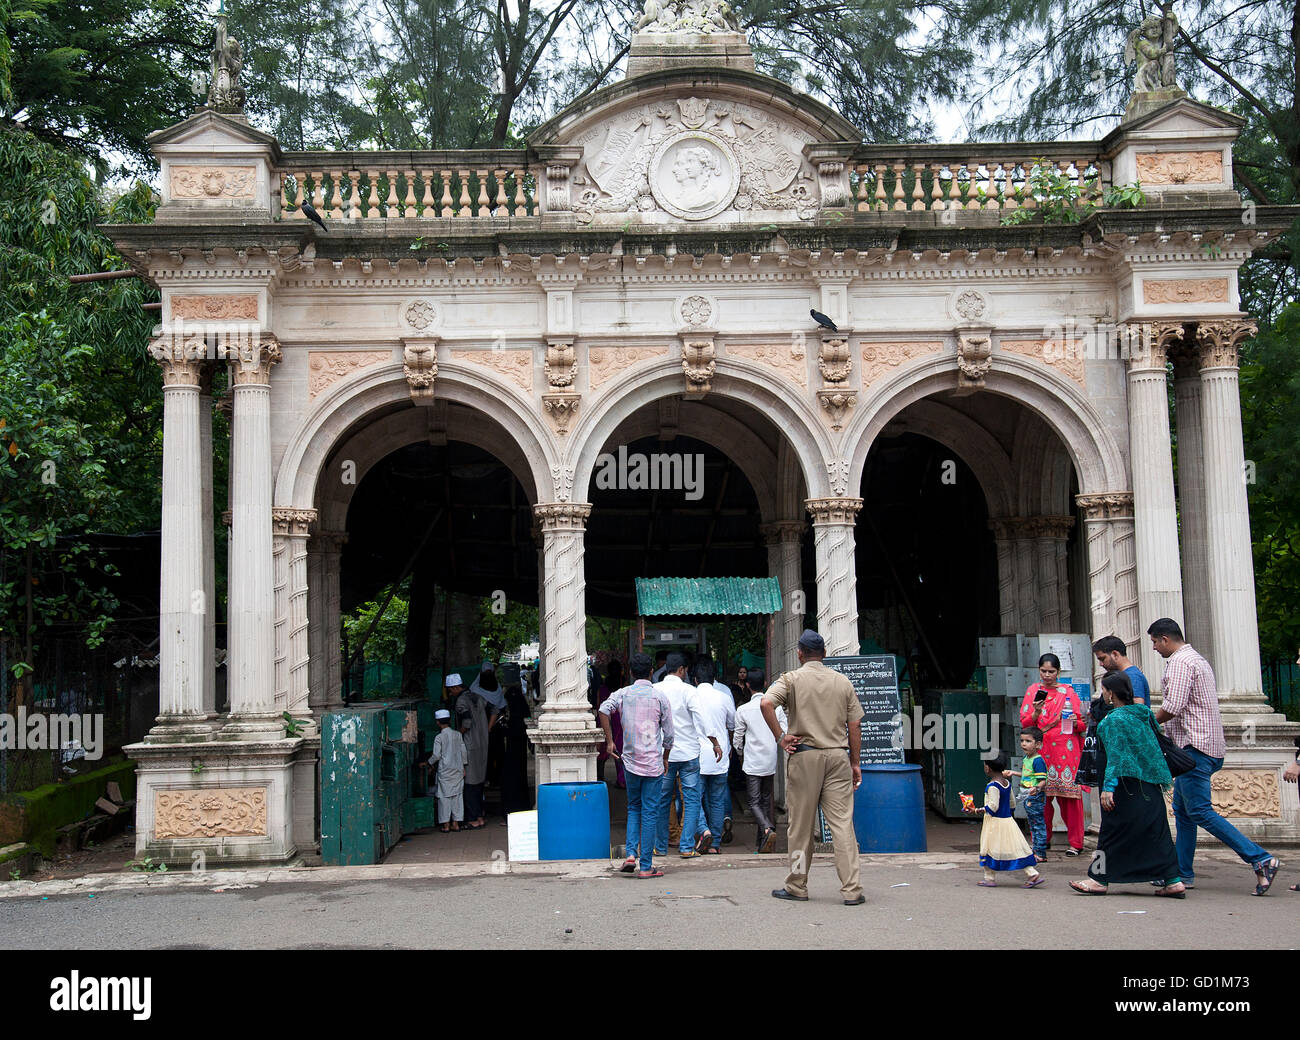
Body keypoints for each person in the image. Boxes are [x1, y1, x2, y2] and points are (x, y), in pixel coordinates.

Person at [1148, 618, 1281, 895]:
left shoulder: (1182, 663)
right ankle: (1181, 873)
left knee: (1198, 811)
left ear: (1164, 639)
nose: (1154, 648)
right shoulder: (1196, 659)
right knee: (1185, 813)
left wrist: (1145, 722)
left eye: (1154, 642)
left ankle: (1260, 858)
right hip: (1204, 746)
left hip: (1194, 748)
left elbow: (1173, 706)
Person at [762, 629, 865, 905]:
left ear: (799, 653)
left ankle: (797, 885)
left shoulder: (792, 679)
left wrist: (781, 737)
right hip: (837, 757)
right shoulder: (843, 682)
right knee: (842, 825)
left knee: (800, 827)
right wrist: (854, 762)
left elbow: (766, 702)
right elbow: (854, 724)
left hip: (805, 757)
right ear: (825, 654)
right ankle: (852, 889)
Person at [1068, 670, 1185, 896]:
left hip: (1124, 787)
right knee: (1157, 831)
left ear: (1111, 694)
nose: (1102, 695)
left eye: (1103, 690)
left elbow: (1117, 756)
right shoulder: (1144, 713)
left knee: (1111, 833)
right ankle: (1173, 881)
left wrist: (1108, 789)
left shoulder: (1112, 721)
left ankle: (1098, 879)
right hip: (1150, 783)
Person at [599, 652, 674, 879]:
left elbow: (603, 709)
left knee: (634, 808)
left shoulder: (623, 694)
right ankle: (646, 866)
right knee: (650, 812)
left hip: (630, 762)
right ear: (651, 672)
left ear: (630, 672)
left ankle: (631, 853)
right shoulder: (660, 697)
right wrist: (665, 756)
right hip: (653, 763)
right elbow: (670, 735)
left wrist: (610, 740)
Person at [1019, 653, 1087, 856]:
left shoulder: (1068, 692)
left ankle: (1076, 843)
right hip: (1041, 750)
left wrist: (1075, 722)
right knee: (1040, 796)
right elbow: (1026, 724)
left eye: (1051, 671)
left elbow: (1082, 723)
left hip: (1066, 750)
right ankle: (1042, 839)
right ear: (1038, 670)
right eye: (1043, 671)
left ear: (1059, 672)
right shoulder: (1033, 691)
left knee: (1070, 798)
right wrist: (1037, 712)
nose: (1047, 675)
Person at [655, 652, 722, 858]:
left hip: (665, 755)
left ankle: (660, 846)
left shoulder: (655, 690)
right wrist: (714, 742)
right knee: (692, 800)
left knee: (662, 799)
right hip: (689, 754)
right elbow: (702, 719)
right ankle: (686, 847)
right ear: (682, 670)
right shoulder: (688, 691)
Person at [965, 751, 1043, 888]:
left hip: (994, 823)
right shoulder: (1006, 783)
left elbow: (993, 806)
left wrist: (976, 810)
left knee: (988, 848)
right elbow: (1012, 803)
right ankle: (1031, 872)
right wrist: (1008, 816)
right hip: (1008, 821)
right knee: (1016, 848)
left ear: (987, 768)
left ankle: (989, 878)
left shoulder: (992, 786)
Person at [734, 680, 787, 852]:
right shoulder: (776, 708)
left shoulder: (743, 709)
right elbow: (783, 731)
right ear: (765, 683)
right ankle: (762, 842)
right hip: (770, 760)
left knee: (753, 801)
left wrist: (740, 753)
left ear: (748, 685)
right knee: (765, 800)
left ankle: (766, 828)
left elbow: (738, 738)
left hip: (752, 761)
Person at [693, 657, 736, 853]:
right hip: (720, 757)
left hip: (696, 756)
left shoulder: (691, 697)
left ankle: (704, 830)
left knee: (694, 798)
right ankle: (715, 844)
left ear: (694, 679)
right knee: (717, 800)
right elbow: (733, 725)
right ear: (713, 678)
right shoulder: (724, 697)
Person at [455, 670, 498, 830]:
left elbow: (466, 722)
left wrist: (457, 735)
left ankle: (473, 818)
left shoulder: (461, 701)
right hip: (483, 744)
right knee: (479, 782)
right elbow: (495, 709)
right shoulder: (479, 697)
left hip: (470, 746)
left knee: (470, 783)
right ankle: (480, 816)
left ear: (454, 688)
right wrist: (487, 729)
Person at [1004, 727, 1047, 861]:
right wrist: (1014, 772)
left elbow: (1043, 780)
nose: (1023, 744)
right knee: (1033, 823)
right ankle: (1036, 849)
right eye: (1022, 740)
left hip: (1034, 796)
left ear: (1038, 744)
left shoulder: (1037, 760)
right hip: (1028, 794)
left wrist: (1036, 788)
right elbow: (1028, 775)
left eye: (1028, 741)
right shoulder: (1027, 758)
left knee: (1037, 823)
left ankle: (1040, 853)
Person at [429, 709, 468, 832]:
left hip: (445, 772)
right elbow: (463, 752)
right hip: (457, 770)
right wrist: (464, 767)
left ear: (437, 723)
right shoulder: (458, 734)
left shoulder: (439, 737)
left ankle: (446, 825)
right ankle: (455, 824)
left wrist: (428, 763)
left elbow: (436, 756)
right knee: (457, 797)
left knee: (444, 798)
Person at [500, 667, 533, 814]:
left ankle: (511, 809)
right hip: (520, 745)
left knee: (510, 779)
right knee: (520, 777)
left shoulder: (507, 701)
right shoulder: (520, 701)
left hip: (511, 747)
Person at [473, 661, 508, 796]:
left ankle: (488, 778)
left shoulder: (475, 688)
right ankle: (495, 779)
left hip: (483, 728)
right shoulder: (497, 688)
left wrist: (487, 727)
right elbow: (501, 708)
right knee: (496, 753)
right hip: (494, 728)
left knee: (486, 754)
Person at [1092, 635, 1151, 705]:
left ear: (1115, 654)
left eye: (1103, 659)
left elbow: (1137, 709)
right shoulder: (1126, 675)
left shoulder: (1132, 676)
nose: (1101, 664)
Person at [595, 659, 626, 789]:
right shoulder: (624, 686)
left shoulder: (603, 687)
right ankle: (622, 780)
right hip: (619, 719)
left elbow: (598, 705)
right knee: (620, 749)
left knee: (602, 750)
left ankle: (600, 778)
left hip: (604, 719)